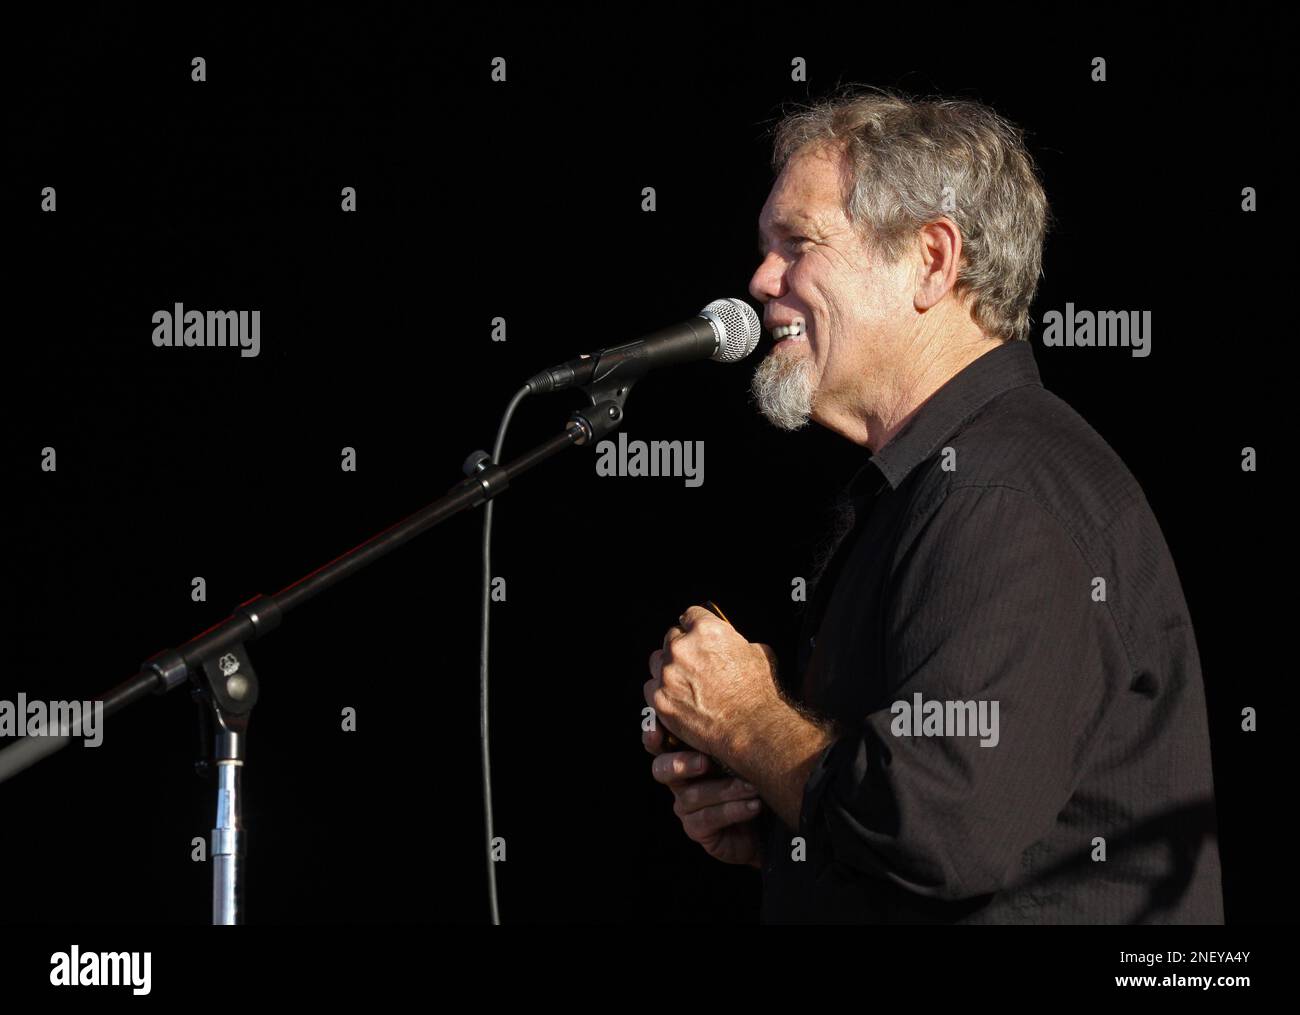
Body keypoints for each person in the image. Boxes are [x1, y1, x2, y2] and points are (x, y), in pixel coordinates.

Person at [642, 87, 1223, 923]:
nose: (760, 277)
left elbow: (940, 826)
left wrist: (748, 720)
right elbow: (948, 829)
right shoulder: (941, 479)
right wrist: (781, 820)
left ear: (932, 260)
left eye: (797, 243)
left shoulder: (1004, 491)